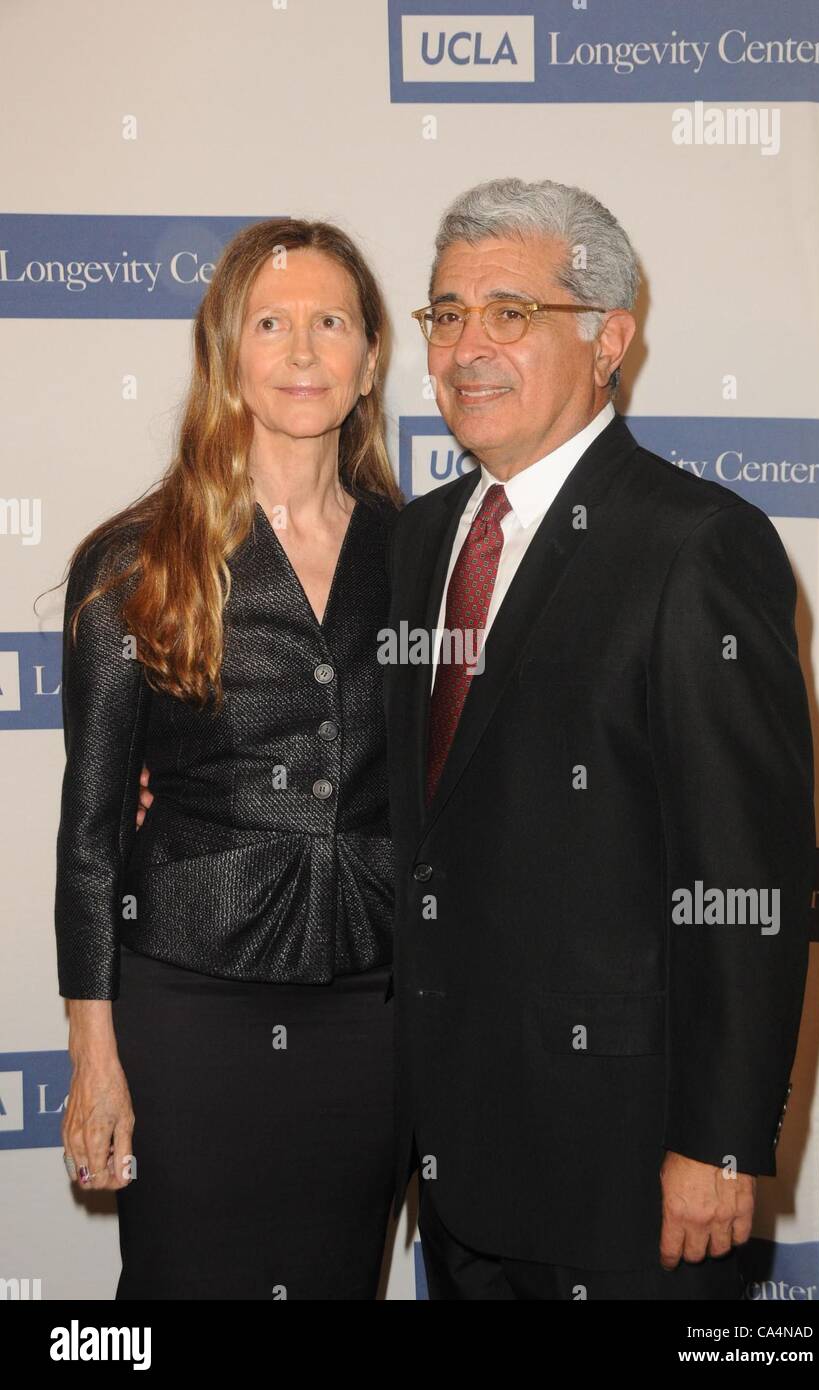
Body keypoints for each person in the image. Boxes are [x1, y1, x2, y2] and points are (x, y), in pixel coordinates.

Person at [383, 177, 815, 1300]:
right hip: (456, 1156)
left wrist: (720, 1140)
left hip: (630, 1172)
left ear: (608, 339)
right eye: (445, 314)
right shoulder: (420, 539)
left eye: (508, 313)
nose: (465, 347)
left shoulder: (696, 546)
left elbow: (745, 877)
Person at [54, 216, 402, 1299]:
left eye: (330, 322)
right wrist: (93, 1056)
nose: (302, 352)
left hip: (373, 1005)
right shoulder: (133, 560)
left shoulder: (425, 553)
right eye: (270, 323)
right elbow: (91, 835)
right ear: (226, 353)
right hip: (188, 1003)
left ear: (370, 355)